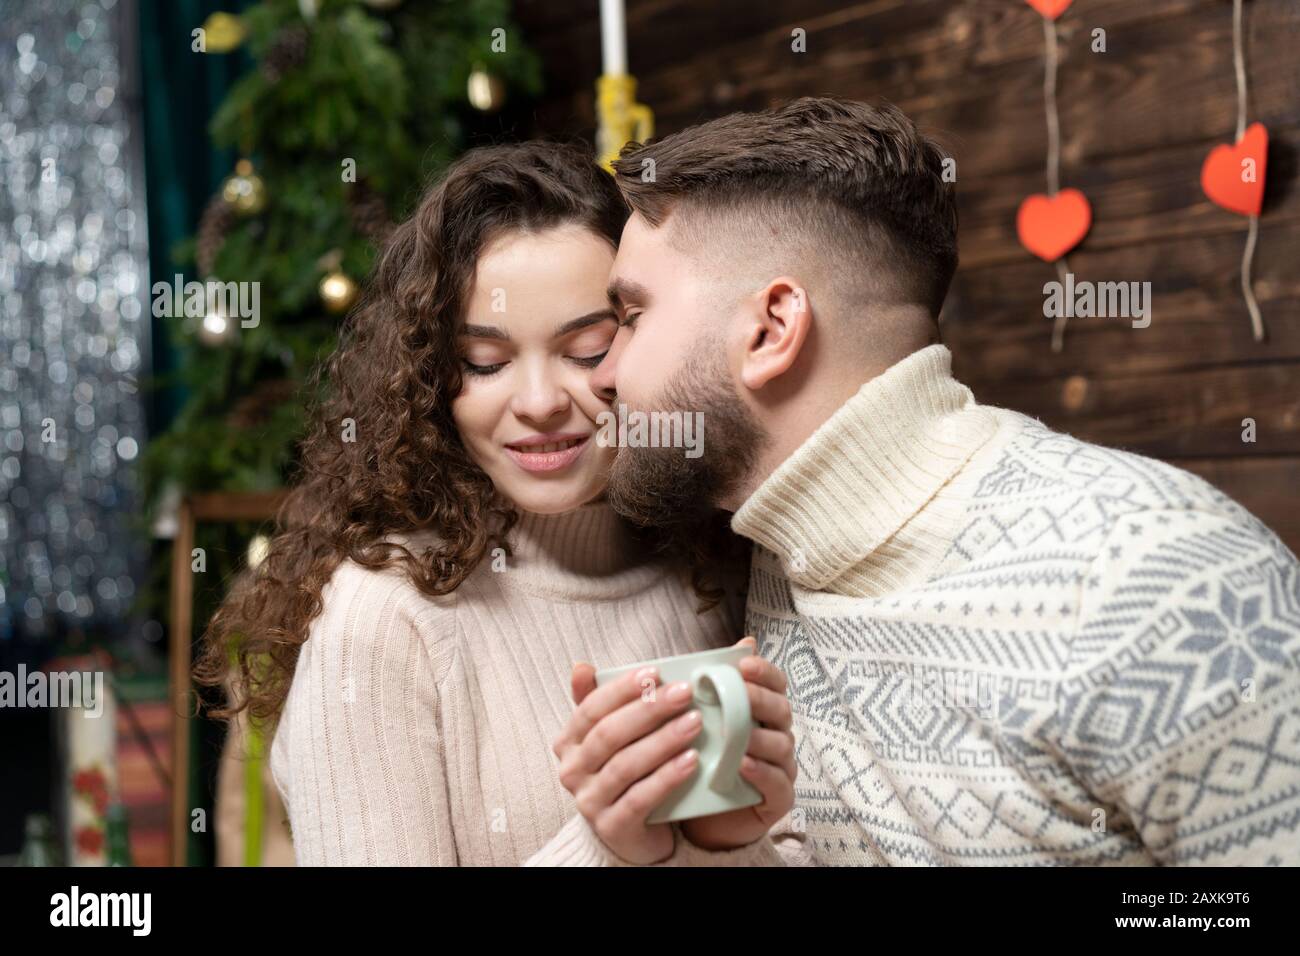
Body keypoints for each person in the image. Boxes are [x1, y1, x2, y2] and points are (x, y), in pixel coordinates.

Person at [587, 96, 1300, 865]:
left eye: (629, 316)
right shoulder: (777, 572)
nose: (603, 374)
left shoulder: (1170, 579)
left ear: (770, 330)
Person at [194, 141, 797, 866]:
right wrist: (605, 844)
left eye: (587, 349)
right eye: (485, 363)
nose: (540, 403)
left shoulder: (719, 562)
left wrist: (726, 840)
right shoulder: (381, 621)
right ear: (429, 378)